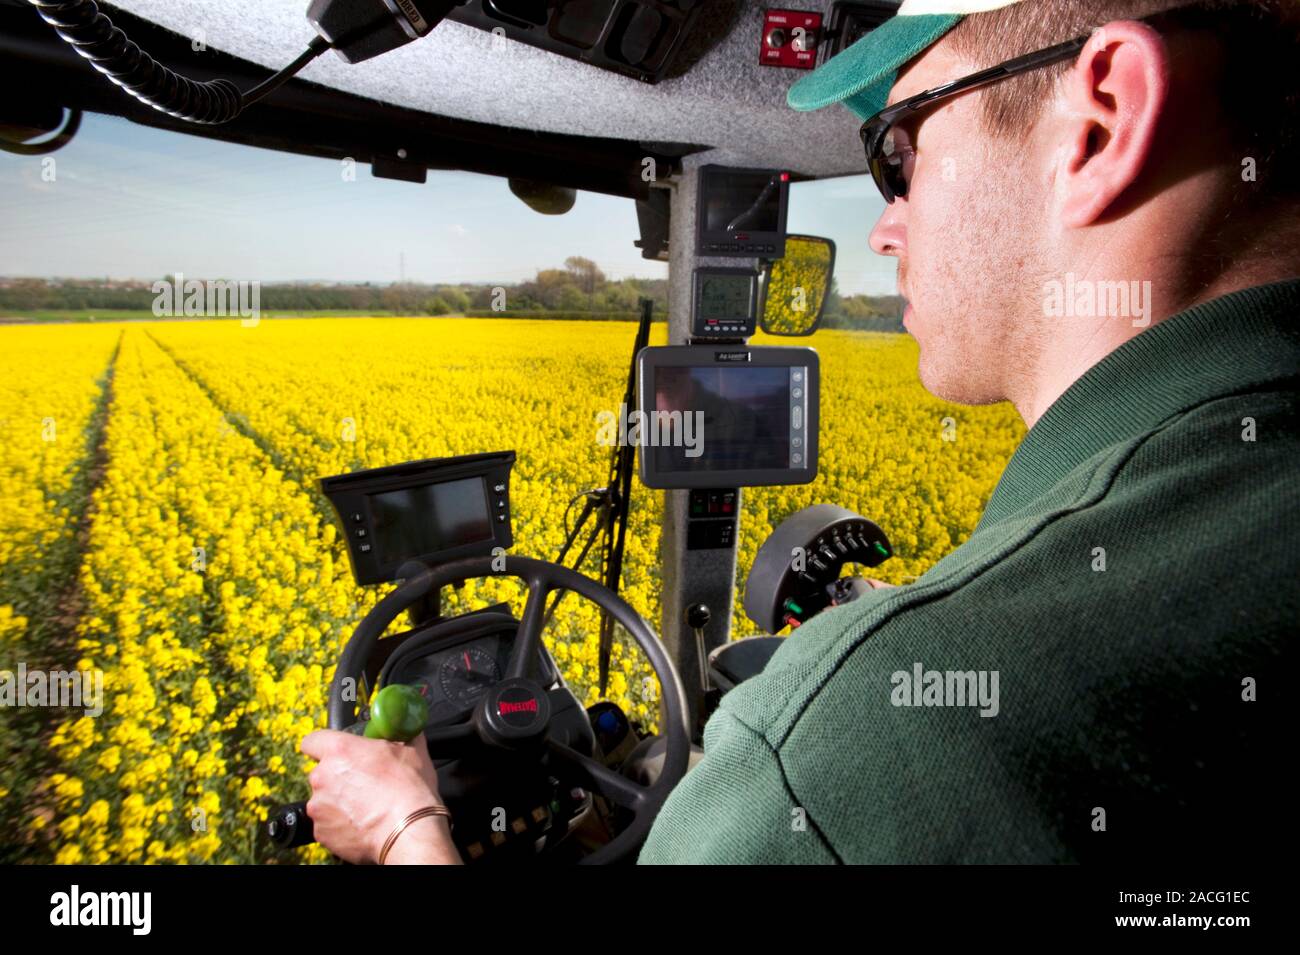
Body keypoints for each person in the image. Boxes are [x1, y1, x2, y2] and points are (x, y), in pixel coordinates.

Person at [302, 0, 1299, 864]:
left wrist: (405, 830)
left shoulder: (845, 756)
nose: (884, 226)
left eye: (896, 152)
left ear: (1102, 119)